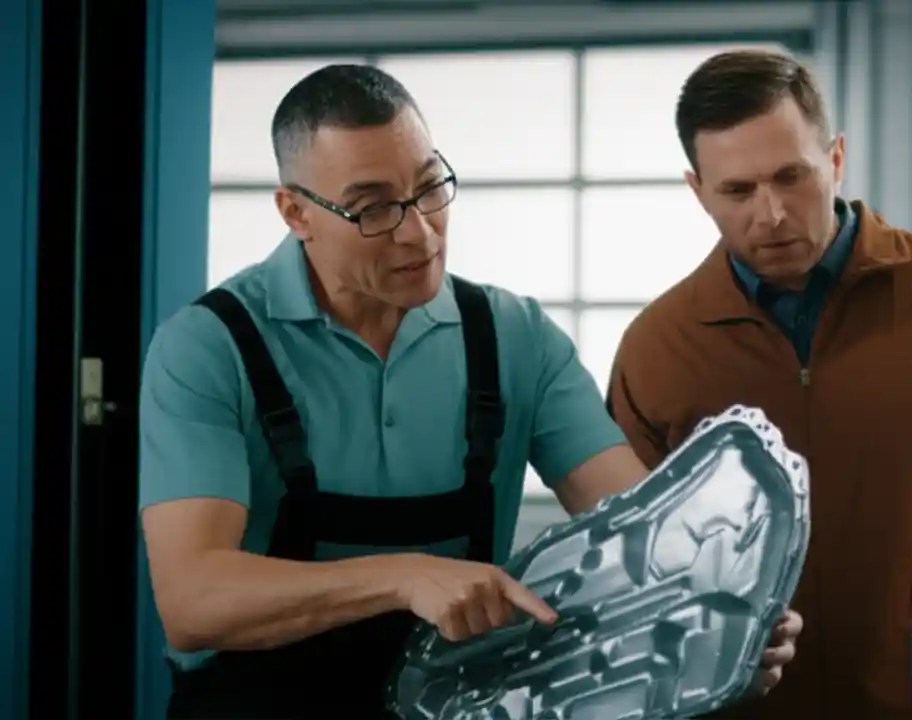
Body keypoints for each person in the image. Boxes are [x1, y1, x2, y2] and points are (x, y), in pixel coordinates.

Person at [138, 63, 800, 719]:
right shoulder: (208, 347)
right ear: (296, 213)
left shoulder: (517, 339)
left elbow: (643, 532)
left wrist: (725, 618)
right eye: (373, 208)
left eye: (430, 188)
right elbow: (193, 601)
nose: (419, 232)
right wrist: (403, 578)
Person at [605, 49, 912, 720]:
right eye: (737, 191)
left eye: (790, 177)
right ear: (697, 189)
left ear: (836, 159)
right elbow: (632, 573)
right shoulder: (658, 346)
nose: (770, 214)